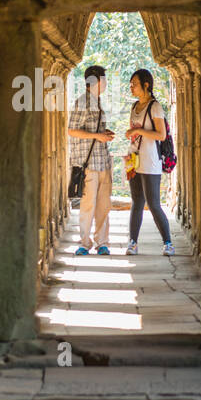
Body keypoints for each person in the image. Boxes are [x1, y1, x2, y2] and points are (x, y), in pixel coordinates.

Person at [125, 69, 175, 256]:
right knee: (137, 201)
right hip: (134, 158)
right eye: (130, 83)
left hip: (151, 160)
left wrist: (137, 132)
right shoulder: (134, 107)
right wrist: (132, 135)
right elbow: (135, 132)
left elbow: (160, 135)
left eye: (135, 83)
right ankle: (133, 242)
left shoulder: (155, 107)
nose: (131, 86)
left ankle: (168, 242)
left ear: (146, 85)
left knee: (153, 203)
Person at [67, 64, 116, 256]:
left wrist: (103, 135)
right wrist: (97, 136)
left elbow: (95, 132)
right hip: (88, 164)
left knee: (104, 205)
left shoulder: (98, 101)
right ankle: (85, 242)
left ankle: (102, 242)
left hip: (103, 161)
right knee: (88, 205)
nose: (105, 83)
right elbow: (72, 130)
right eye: (103, 79)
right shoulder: (82, 102)